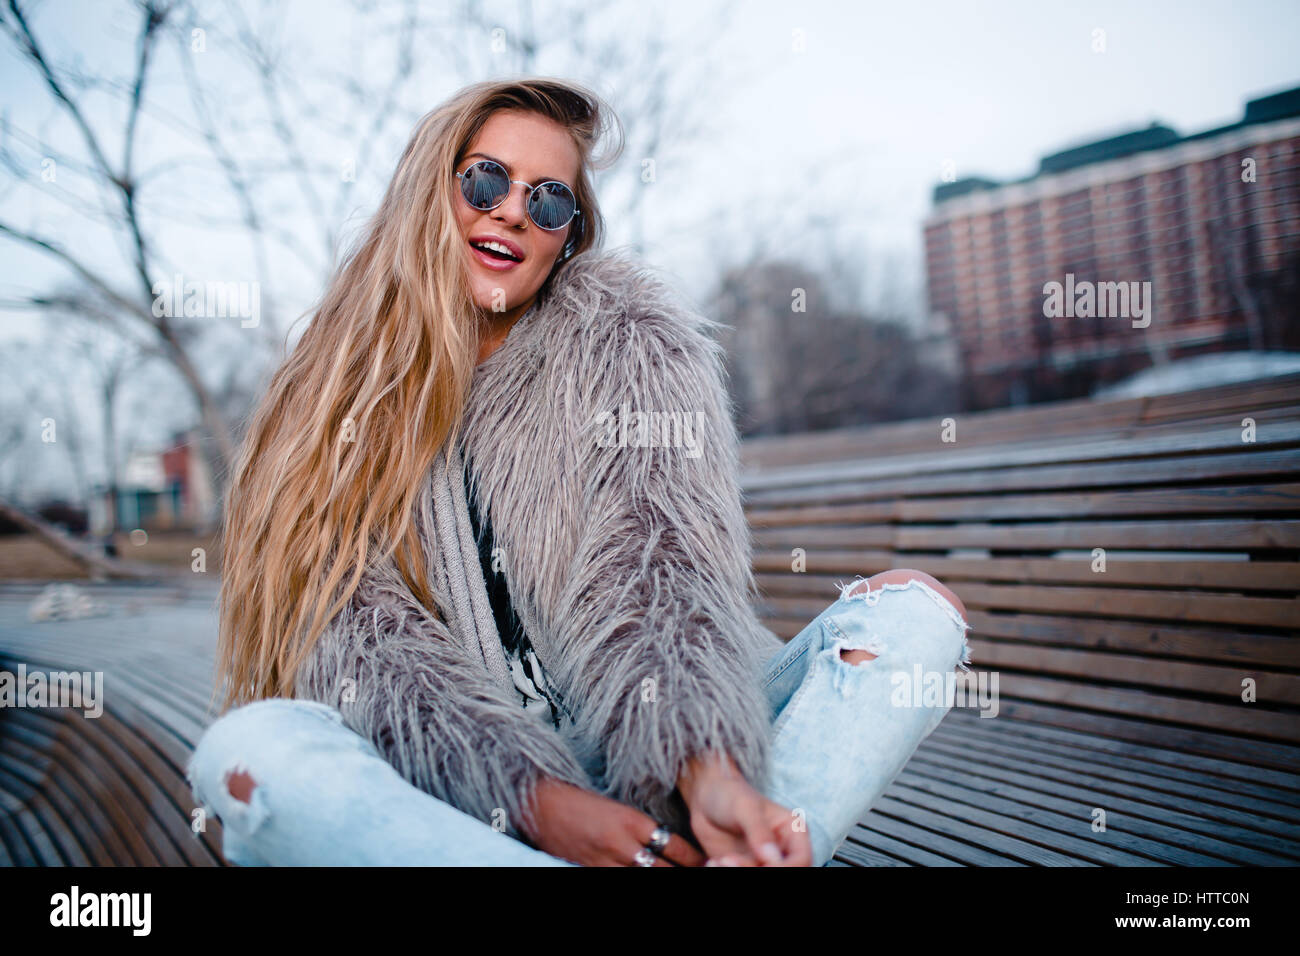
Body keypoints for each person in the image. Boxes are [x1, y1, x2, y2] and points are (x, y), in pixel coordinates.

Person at [188, 76, 973, 867]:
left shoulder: (627, 345)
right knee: (250, 752)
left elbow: (662, 575)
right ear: (431, 191)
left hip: (665, 758)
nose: (512, 211)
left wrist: (705, 769)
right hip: (459, 792)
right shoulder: (330, 402)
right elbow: (363, 655)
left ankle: (751, 849)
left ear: (567, 234)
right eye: (485, 179)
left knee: (915, 614)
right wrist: (532, 801)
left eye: (550, 199)